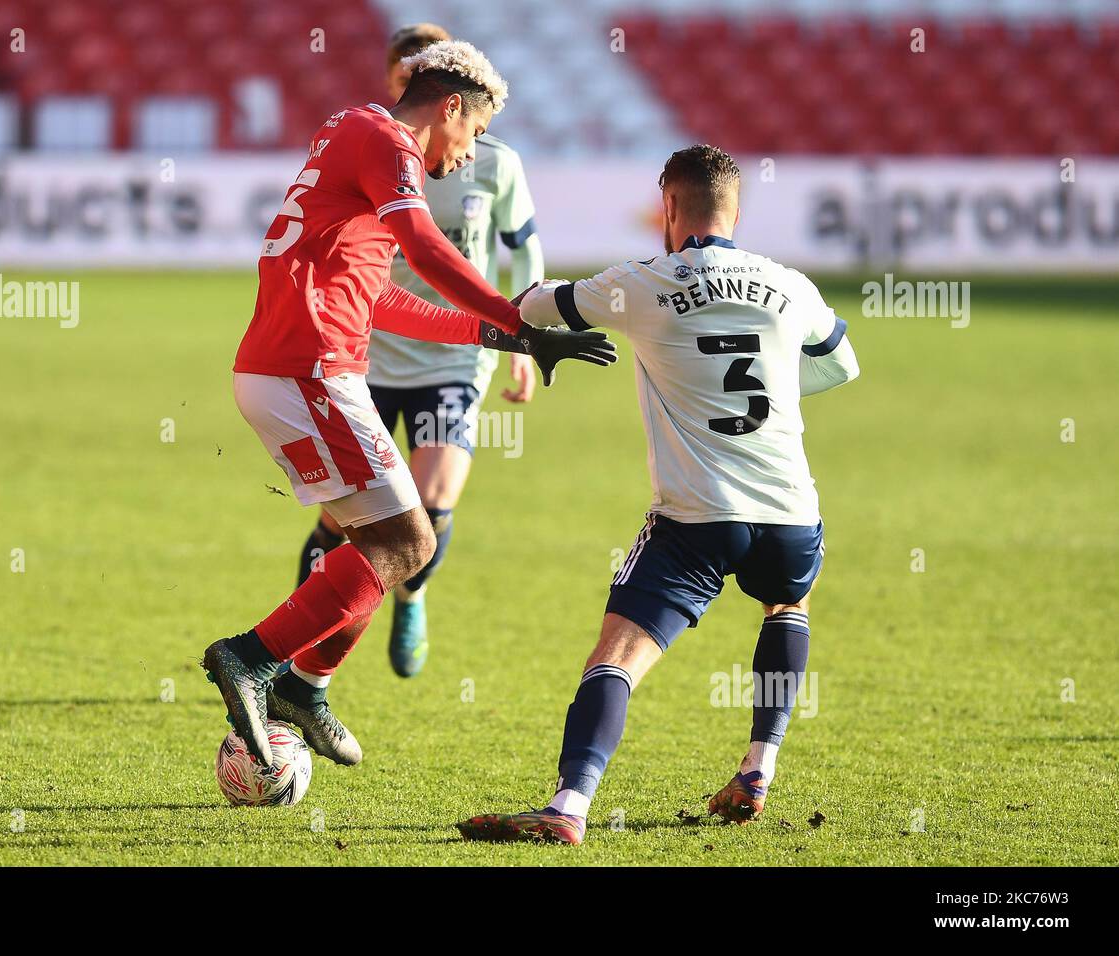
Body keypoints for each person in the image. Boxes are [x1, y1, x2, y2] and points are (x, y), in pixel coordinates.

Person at [203, 41, 616, 771]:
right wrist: (520, 318)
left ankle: (305, 688)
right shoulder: (382, 138)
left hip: (291, 371)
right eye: (477, 134)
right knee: (409, 543)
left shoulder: (349, 135)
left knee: (383, 544)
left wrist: (509, 340)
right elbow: (424, 250)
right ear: (451, 107)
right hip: (310, 373)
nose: (472, 153)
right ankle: (251, 658)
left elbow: (388, 299)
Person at [457, 144, 859, 844]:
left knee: (616, 654)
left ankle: (569, 806)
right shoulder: (789, 284)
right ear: (736, 208)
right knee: (787, 602)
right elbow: (841, 365)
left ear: (669, 208)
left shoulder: (643, 282)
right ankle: (758, 766)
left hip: (695, 520)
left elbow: (536, 307)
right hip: (791, 512)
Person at [293, 23, 547, 679]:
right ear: (396, 84)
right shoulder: (376, 149)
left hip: (455, 356)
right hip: (368, 350)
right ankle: (296, 654)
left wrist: (519, 332)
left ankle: (412, 594)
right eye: (403, 77)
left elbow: (521, 246)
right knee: (342, 526)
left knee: (429, 510)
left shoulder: (491, 161)